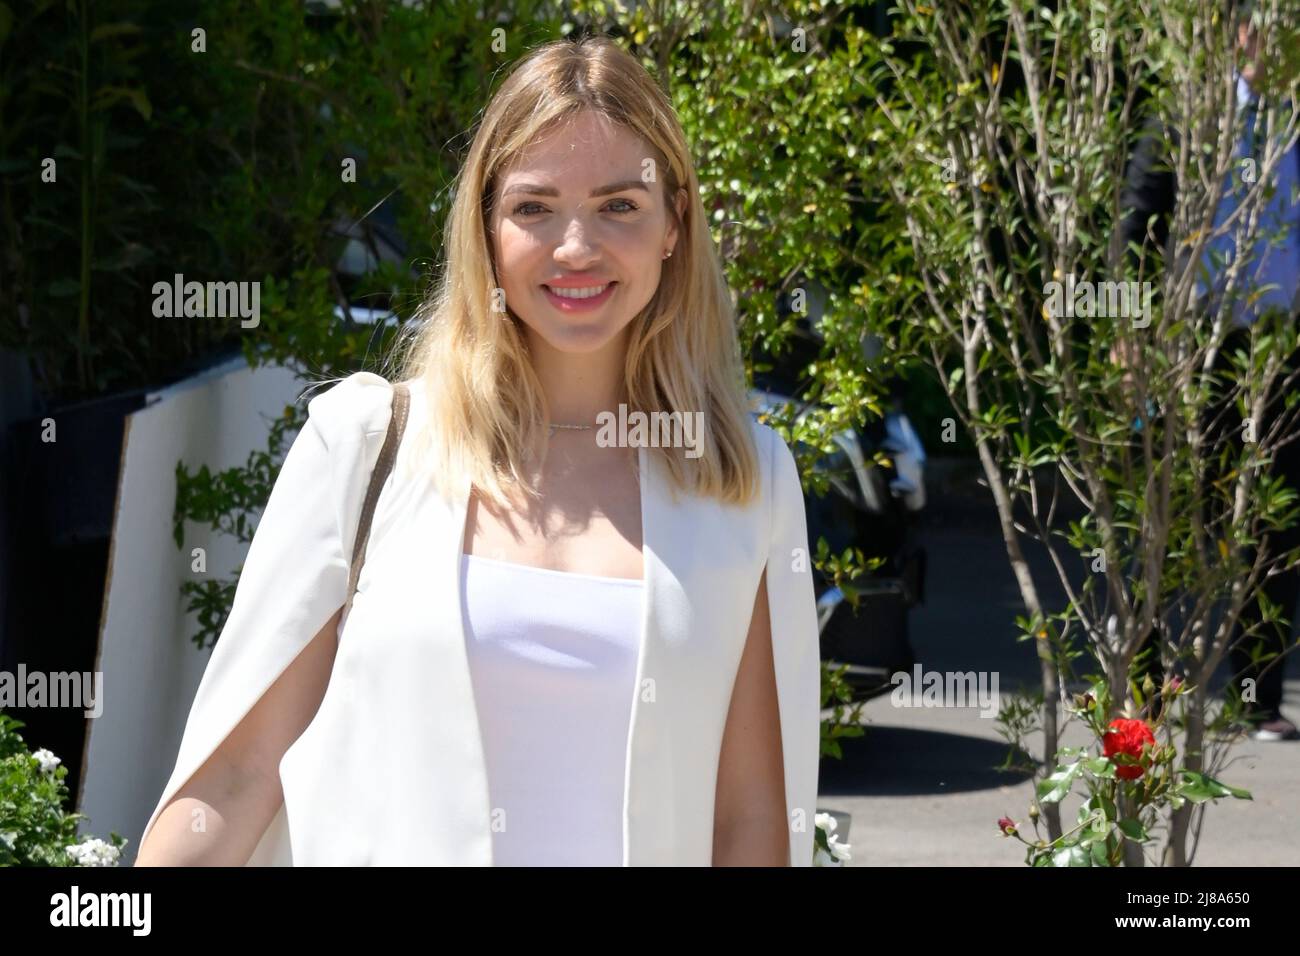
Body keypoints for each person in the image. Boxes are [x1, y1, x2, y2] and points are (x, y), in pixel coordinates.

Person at [135, 36, 822, 865]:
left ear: (675, 223)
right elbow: (237, 778)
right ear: (486, 228)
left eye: (619, 205)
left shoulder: (744, 482)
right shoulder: (366, 449)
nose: (576, 247)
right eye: (534, 208)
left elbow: (747, 823)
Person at [1118, 3, 1300, 740]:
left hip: (1280, 351)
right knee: (1168, 518)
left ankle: (1259, 699)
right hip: (1195, 347)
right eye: (1277, 28)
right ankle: (1147, 695)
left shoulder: (1293, 123)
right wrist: (1130, 336)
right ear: (1245, 34)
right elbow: (1136, 222)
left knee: (1274, 524)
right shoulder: (1191, 119)